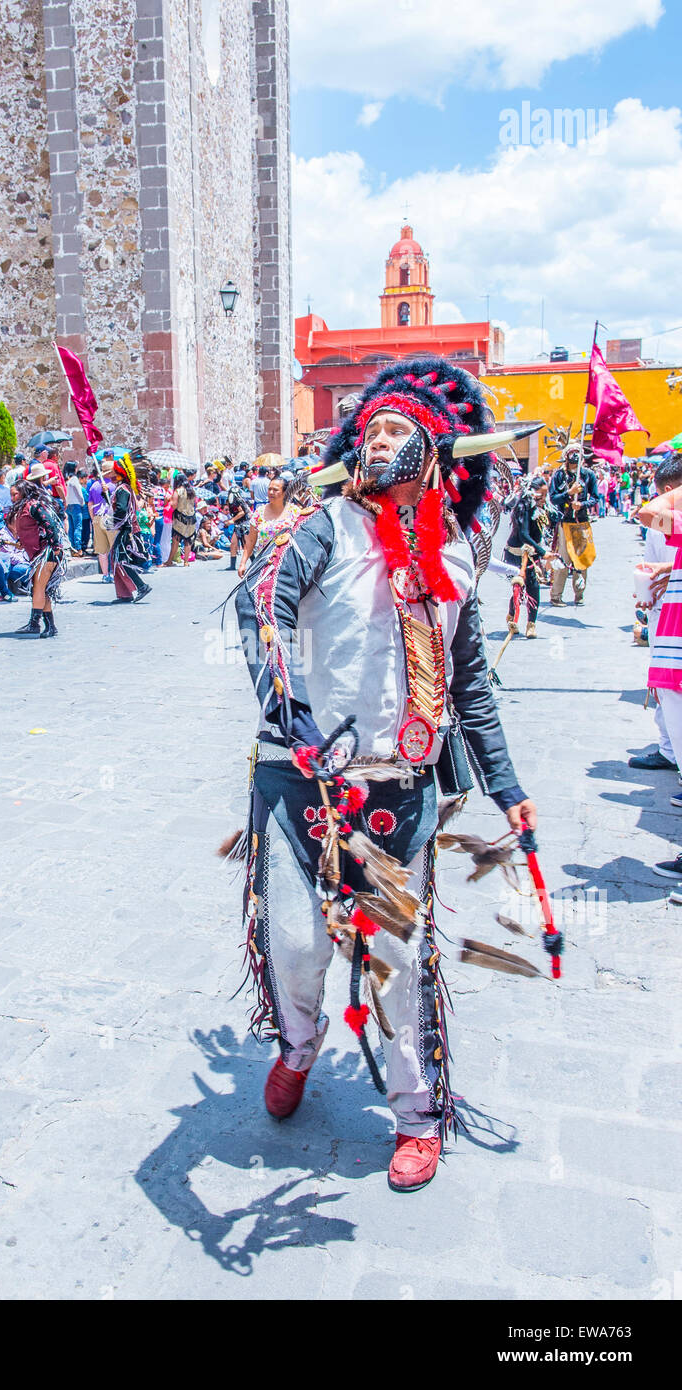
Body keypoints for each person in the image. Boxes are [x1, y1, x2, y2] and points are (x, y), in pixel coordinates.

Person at [233, 357, 535, 1192]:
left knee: (397, 959)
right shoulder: (324, 526)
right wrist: (287, 706)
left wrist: (508, 788)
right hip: (304, 783)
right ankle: (298, 1046)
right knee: (297, 946)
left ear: (435, 453)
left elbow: (471, 685)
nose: (377, 441)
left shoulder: (459, 556)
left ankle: (416, 1114)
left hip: (400, 795)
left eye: (397, 429)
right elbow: (262, 607)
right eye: (370, 429)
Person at [629, 456, 682, 773]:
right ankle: (669, 750)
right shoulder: (668, 525)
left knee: (672, 690)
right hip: (667, 612)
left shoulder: (671, 513)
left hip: (675, 621)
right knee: (668, 691)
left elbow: (647, 513)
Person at [7, 463, 66, 636]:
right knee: (41, 589)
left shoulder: (34, 506)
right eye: (11, 495)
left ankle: (35, 624)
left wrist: (55, 546)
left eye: (15, 494)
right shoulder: (24, 508)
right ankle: (50, 626)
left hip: (47, 552)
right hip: (38, 554)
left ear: (23, 492)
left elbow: (50, 524)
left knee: (38, 588)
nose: (12, 498)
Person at [502, 474, 555, 638]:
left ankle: (531, 625)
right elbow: (524, 535)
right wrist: (543, 552)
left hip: (532, 553)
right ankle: (512, 618)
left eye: (546, 495)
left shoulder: (541, 507)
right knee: (519, 588)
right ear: (532, 492)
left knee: (533, 587)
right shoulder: (523, 507)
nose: (544, 498)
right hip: (517, 553)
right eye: (541, 494)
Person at [548, 444, 599, 606]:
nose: (575, 457)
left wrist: (582, 504)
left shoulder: (588, 475)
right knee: (563, 559)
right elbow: (553, 498)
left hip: (582, 521)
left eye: (578, 453)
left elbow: (595, 498)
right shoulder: (559, 475)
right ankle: (556, 595)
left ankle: (579, 593)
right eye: (572, 453)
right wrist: (569, 493)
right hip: (565, 523)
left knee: (582, 559)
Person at [108, 456, 152, 602]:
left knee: (121, 560)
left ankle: (141, 586)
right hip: (128, 529)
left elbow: (121, 510)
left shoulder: (122, 490)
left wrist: (110, 522)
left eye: (114, 473)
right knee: (120, 560)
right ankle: (126, 593)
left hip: (126, 530)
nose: (111, 476)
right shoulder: (125, 488)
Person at [238, 474, 294, 577]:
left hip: (289, 565)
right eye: (269, 489)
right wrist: (243, 563)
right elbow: (251, 541)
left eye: (275, 490)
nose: (271, 492)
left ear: (285, 492)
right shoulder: (259, 512)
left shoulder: (295, 512)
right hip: (265, 564)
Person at [164, 472, 197, 566]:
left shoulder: (178, 491)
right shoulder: (191, 491)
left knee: (176, 540)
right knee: (188, 540)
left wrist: (168, 501)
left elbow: (174, 505)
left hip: (180, 517)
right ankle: (186, 562)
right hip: (191, 518)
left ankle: (169, 561)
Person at [226, 475, 252, 572]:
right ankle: (232, 565)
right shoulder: (232, 501)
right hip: (238, 524)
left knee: (247, 544)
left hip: (244, 524)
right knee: (233, 543)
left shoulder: (238, 500)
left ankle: (254, 562)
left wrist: (232, 520)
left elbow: (242, 512)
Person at [64, 462, 86, 556]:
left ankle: (72, 548)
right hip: (76, 505)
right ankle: (78, 548)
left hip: (69, 505)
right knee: (78, 527)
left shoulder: (67, 480)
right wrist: (82, 502)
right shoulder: (75, 479)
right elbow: (79, 493)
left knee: (71, 528)